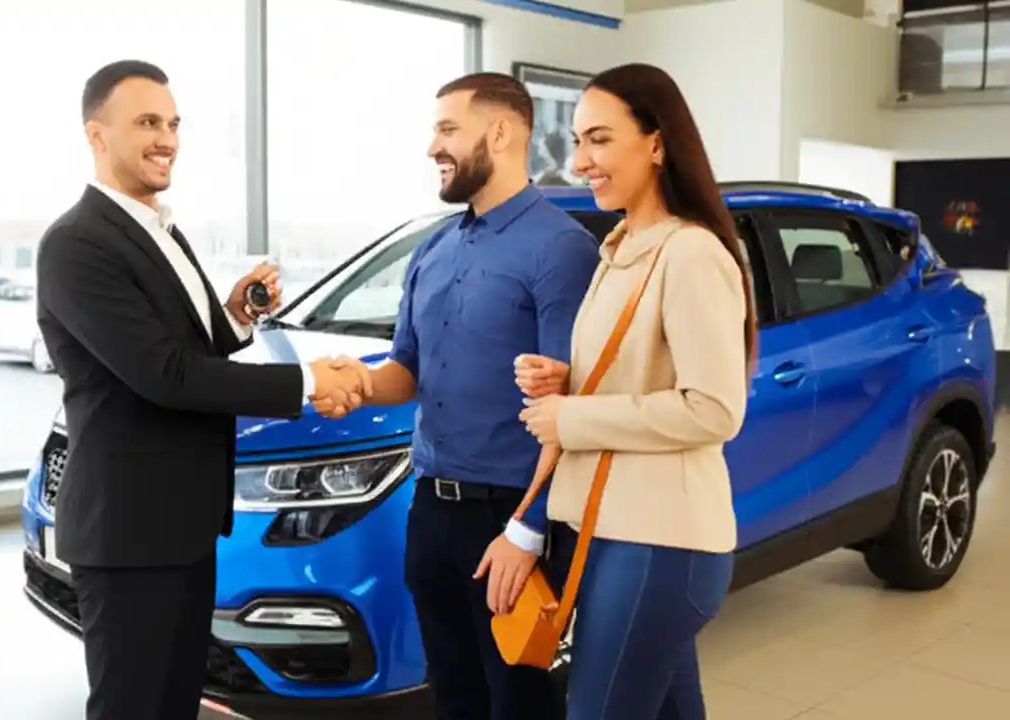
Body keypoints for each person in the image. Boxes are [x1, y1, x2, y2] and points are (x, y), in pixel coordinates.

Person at [35, 59, 371, 720]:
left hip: (181, 524)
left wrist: (238, 314)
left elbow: (186, 350)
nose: (167, 138)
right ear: (97, 136)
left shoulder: (160, 228)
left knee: (174, 701)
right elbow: (165, 376)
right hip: (129, 534)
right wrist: (308, 381)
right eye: (147, 123)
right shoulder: (76, 244)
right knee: (132, 705)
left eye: (173, 122)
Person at [318, 72, 599, 719]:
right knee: (454, 695)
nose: (432, 147)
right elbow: (405, 370)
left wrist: (529, 526)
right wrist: (357, 387)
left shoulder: (561, 250)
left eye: (447, 128)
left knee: (519, 701)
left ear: (498, 133)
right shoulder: (434, 248)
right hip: (431, 512)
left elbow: (576, 410)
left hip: (512, 517)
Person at [515, 63, 757, 720]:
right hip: (621, 534)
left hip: (658, 543)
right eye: (577, 142)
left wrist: (574, 418)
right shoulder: (624, 244)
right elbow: (647, 375)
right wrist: (567, 381)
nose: (580, 161)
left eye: (599, 139)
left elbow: (714, 407)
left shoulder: (690, 253)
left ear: (656, 142)